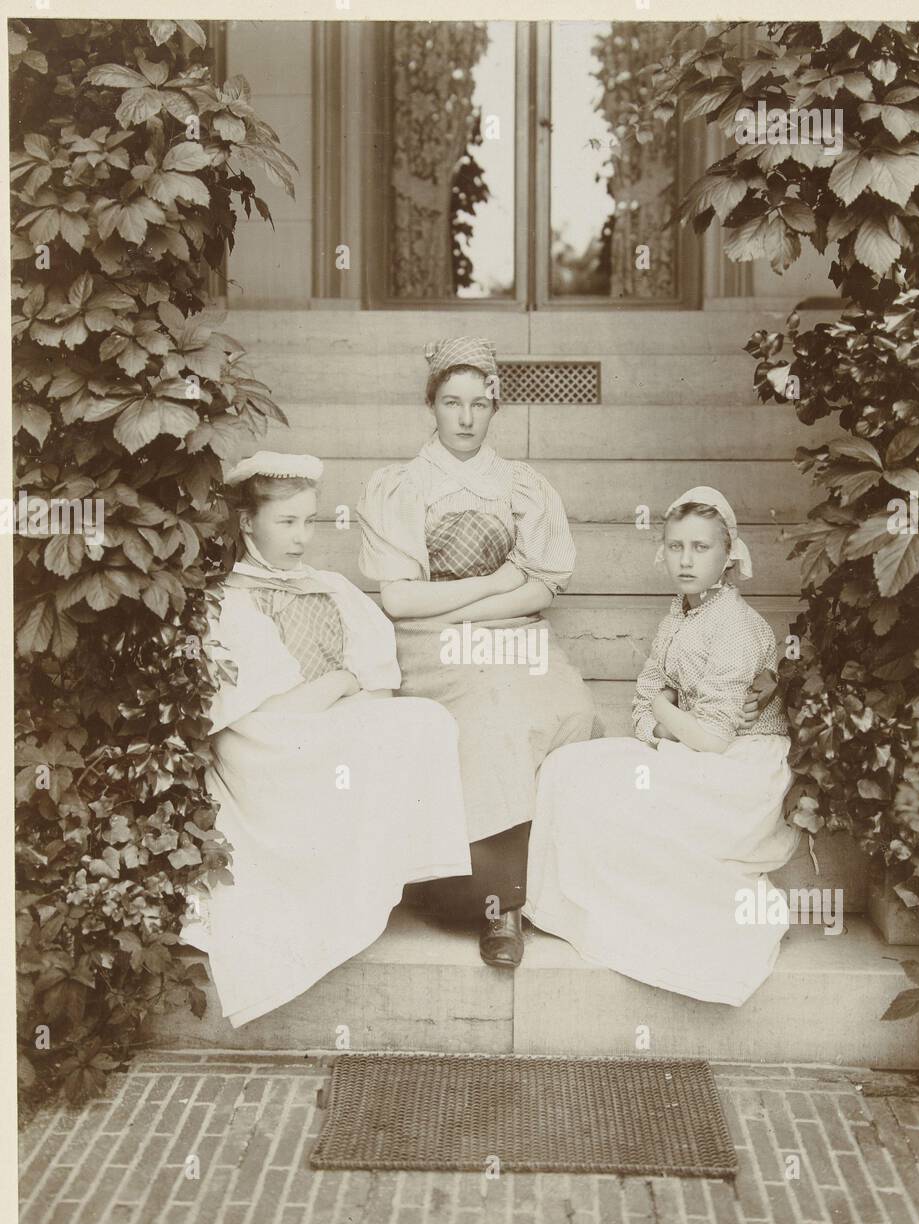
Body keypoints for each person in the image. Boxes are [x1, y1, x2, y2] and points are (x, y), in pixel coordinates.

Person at [182, 449, 472, 1027]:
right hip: (262, 750)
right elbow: (268, 710)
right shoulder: (230, 600)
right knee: (328, 727)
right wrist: (342, 679)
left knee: (424, 721)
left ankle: (385, 877)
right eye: (285, 523)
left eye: (307, 521)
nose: (300, 538)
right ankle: (327, 894)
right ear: (248, 523)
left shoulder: (330, 588)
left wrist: (347, 694)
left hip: (321, 729)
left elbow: (380, 687)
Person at [356, 337, 597, 969]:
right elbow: (402, 602)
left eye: (479, 404)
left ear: (495, 408)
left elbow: (543, 584)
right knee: (488, 707)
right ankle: (497, 909)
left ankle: (552, 890)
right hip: (431, 643)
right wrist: (493, 586)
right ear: (431, 405)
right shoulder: (401, 485)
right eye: (451, 402)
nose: (465, 417)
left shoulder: (521, 485)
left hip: (510, 629)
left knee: (564, 702)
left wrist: (471, 607)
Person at [523, 487, 802, 1007]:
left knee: (613, 791)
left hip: (739, 771)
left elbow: (713, 737)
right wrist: (660, 719)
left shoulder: (736, 627)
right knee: (565, 766)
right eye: (676, 547)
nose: (686, 560)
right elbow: (641, 701)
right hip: (693, 748)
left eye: (701, 547)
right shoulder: (679, 615)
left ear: (728, 555)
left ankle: (637, 922)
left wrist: (665, 713)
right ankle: (571, 908)